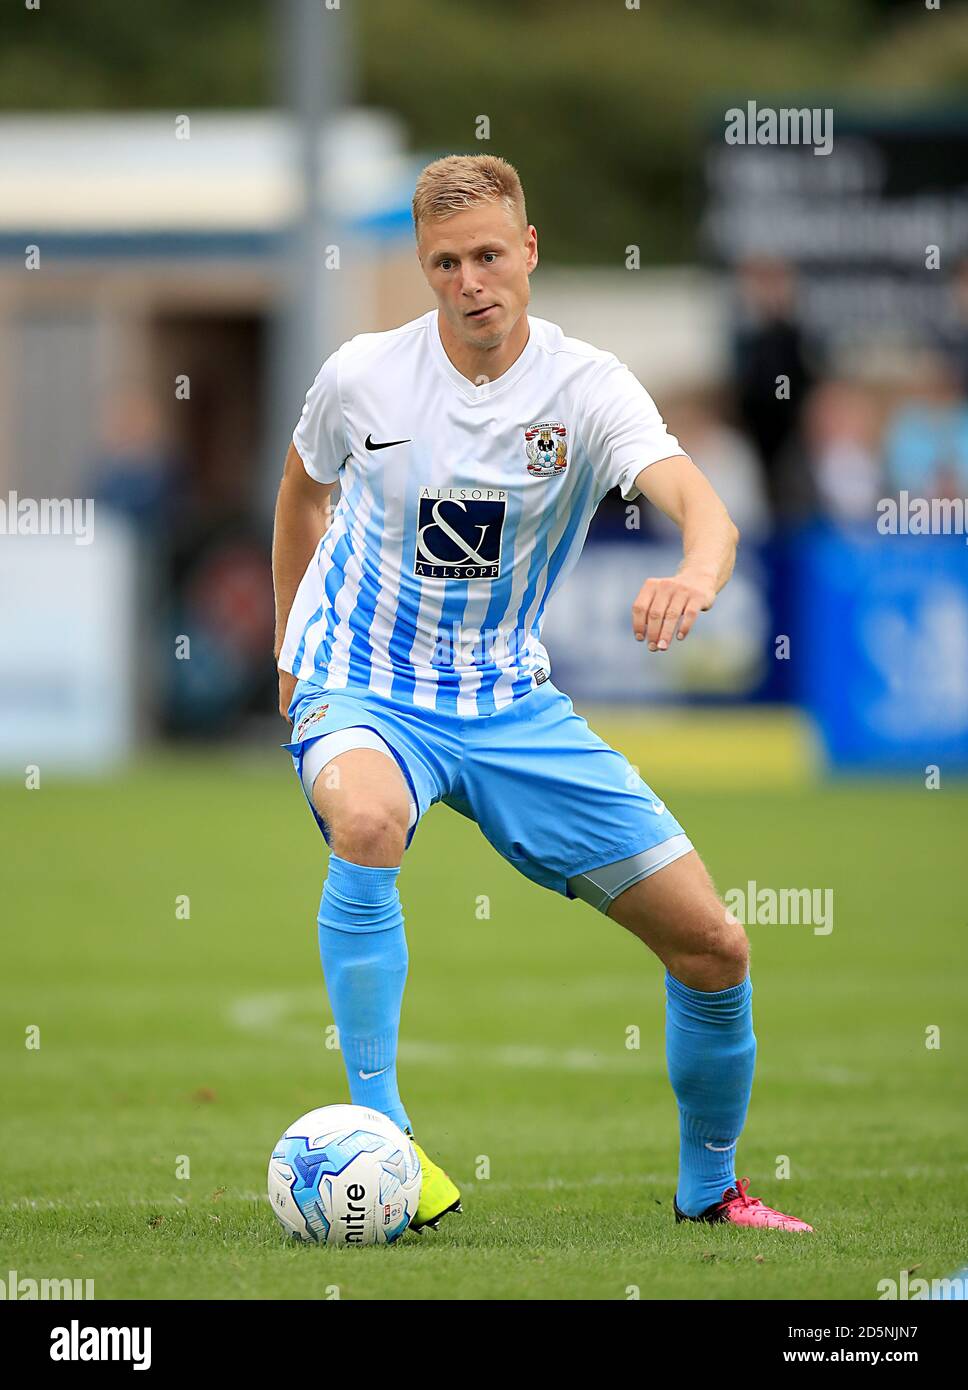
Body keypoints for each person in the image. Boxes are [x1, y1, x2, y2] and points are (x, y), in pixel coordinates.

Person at [271, 154, 812, 1235]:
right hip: (366, 688)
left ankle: (710, 1191)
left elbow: (697, 506)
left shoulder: (588, 387)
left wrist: (695, 573)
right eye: (443, 263)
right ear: (423, 271)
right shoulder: (362, 376)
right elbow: (301, 490)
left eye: (486, 255)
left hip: (510, 707)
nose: (469, 281)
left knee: (714, 947)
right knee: (367, 819)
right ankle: (389, 1142)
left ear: (526, 251)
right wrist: (294, 662)